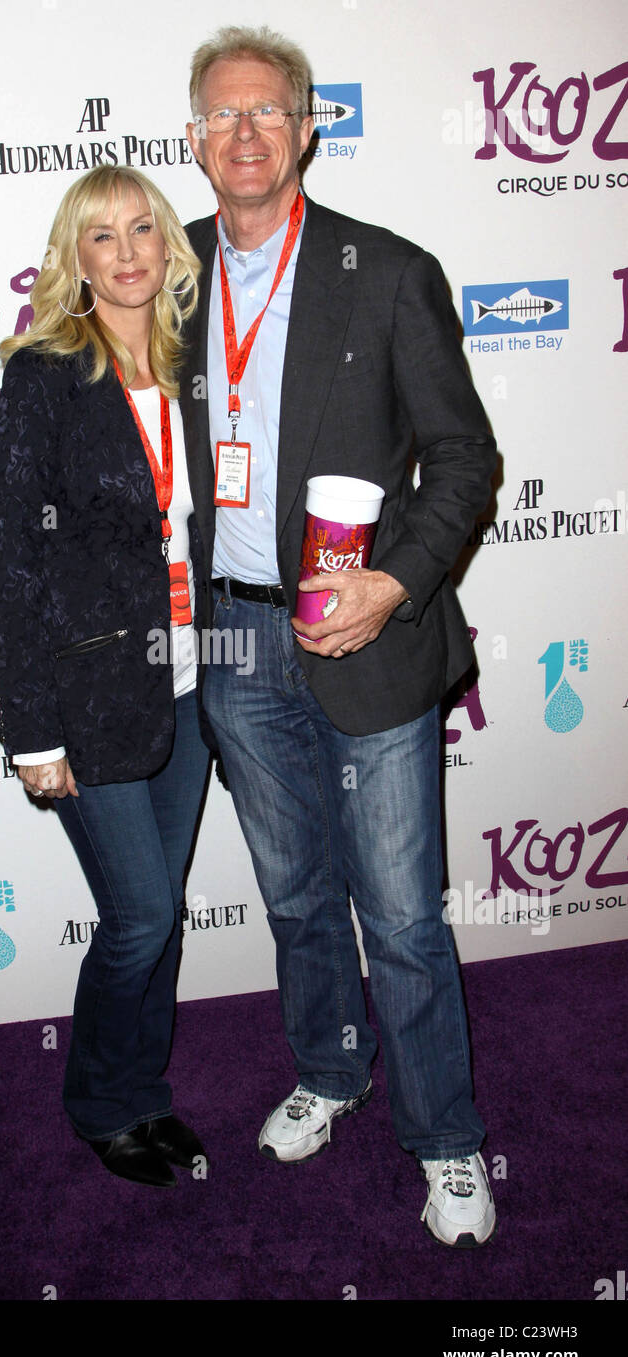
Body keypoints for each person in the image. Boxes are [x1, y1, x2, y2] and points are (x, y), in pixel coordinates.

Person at [180, 26, 498, 1245]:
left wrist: (395, 583)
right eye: (221, 115)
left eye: (268, 111)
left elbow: (463, 457)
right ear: (193, 138)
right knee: (295, 895)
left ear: (308, 128)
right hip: (229, 641)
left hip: (364, 636)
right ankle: (329, 1067)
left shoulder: (387, 269)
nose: (245, 133)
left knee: (403, 913)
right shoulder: (164, 275)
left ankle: (449, 1139)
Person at [0, 166, 210, 1189]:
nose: (126, 254)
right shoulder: (43, 375)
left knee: (158, 911)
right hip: (89, 700)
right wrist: (30, 731)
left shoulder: (192, 363)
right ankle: (97, 1103)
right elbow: (15, 562)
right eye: (100, 238)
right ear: (72, 259)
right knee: (141, 918)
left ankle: (143, 1092)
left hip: (189, 685)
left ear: (165, 242)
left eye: (140, 231)